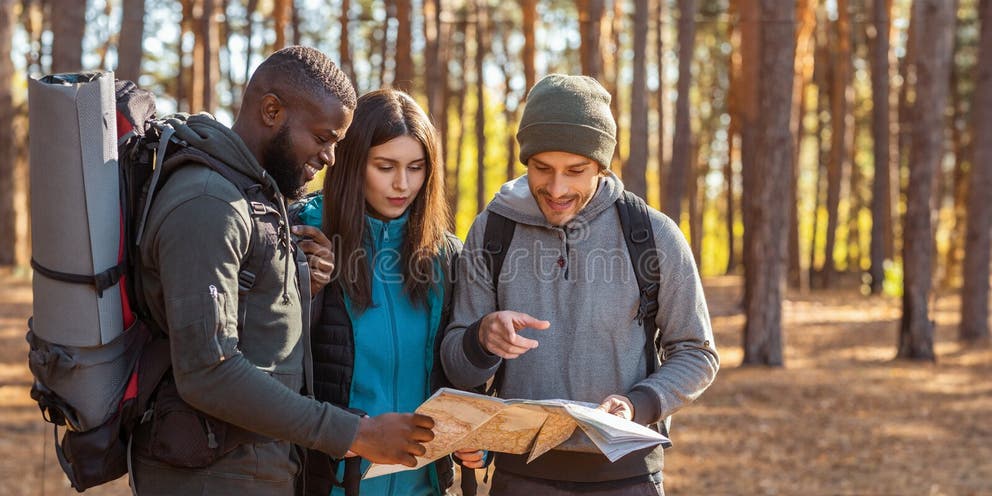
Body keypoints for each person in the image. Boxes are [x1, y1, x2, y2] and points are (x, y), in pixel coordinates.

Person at [131, 47, 435, 495]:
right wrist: (355, 433)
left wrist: (307, 288)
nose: (331, 157)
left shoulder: (255, 196)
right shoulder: (209, 203)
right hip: (207, 476)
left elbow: (264, 341)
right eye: (323, 138)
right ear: (272, 110)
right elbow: (208, 371)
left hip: (259, 470)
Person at [440, 74, 720, 495]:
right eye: (542, 169)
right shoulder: (492, 230)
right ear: (526, 162)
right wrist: (480, 339)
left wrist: (635, 405)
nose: (556, 189)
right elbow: (456, 361)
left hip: (627, 477)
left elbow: (698, 353)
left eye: (576, 171)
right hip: (521, 477)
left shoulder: (652, 235)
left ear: (602, 166)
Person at [294, 88, 483, 496]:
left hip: (426, 487)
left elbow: (460, 374)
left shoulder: (447, 255)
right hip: (332, 485)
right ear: (351, 162)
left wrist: (477, 437)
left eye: (416, 168)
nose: (402, 184)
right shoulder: (304, 235)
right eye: (385, 166)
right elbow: (275, 378)